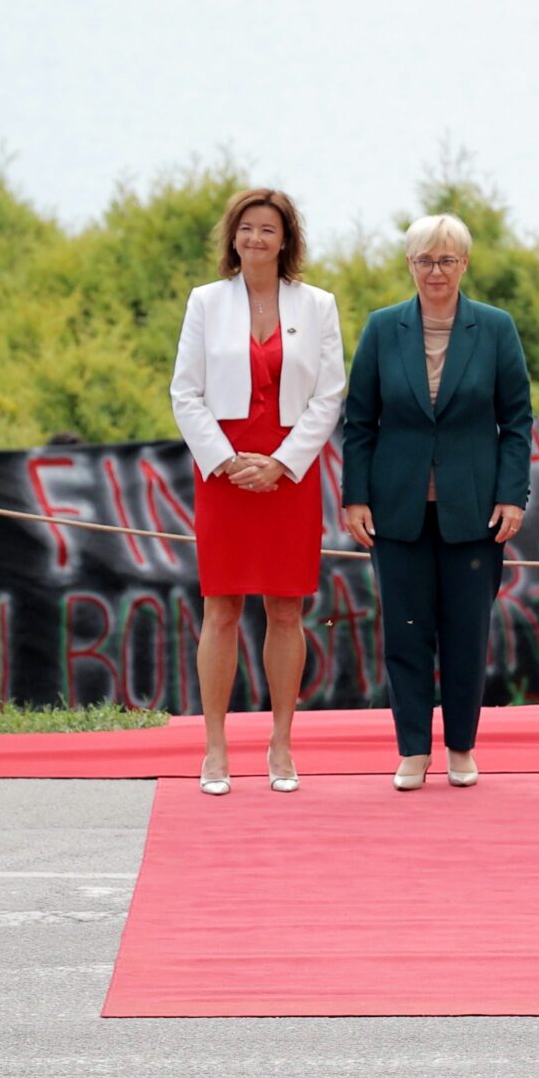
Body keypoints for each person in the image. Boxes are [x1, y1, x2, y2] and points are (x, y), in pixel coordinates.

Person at [342, 213, 531, 789]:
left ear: (464, 264)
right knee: (405, 632)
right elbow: (359, 422)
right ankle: (413, 750)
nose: (436, 271)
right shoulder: (382, 328)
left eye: (447, 259)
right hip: (395, 508)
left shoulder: (494, 328)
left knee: (466, 632)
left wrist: (512, 496)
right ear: (410, 264)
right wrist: (355, 497)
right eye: (425, 260)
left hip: (474, 510)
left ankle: (462, 747)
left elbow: (516, 422)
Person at [170, 188, 346, 796]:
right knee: (221, 607)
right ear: (233, 236)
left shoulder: (318, 304)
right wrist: (223, 460)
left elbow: (329, 394)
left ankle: (281, 743)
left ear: (285, 239)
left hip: (289, 471)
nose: (255, 238)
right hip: (223, 470)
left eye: (268, 229)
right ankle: (215, 747)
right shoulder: (205, 301)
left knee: (286, 609)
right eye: (246, 228)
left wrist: (282, 462)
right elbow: (184, 392)